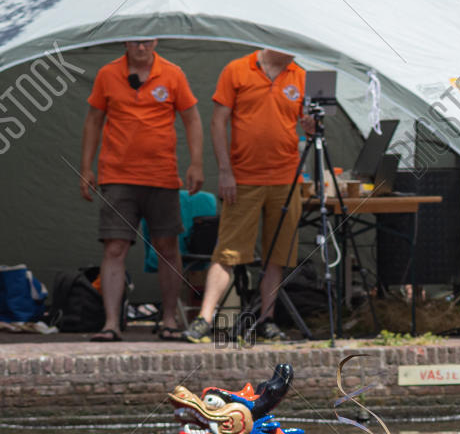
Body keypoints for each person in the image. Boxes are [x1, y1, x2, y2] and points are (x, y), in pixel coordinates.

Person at [80, 38, 203, 342]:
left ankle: (170, 319)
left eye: (147, 42)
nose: (141, 48)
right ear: (126, 42)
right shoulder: (108, 74)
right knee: (114, 247)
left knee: (167, 247)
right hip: (117, 176)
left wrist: (196, 163)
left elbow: (192, 118)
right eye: (135, 41)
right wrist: (86, 167)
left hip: (162, 176)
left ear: (155, 41)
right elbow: (94, 120)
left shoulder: (172, 73)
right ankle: (111, 323)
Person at [184, 47, 309, 344]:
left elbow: (308, 128)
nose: (297, 48)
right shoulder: (237, 70)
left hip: (286, 180)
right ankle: (204, 319)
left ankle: (266, 320)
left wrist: (312, 127)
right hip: (244, 178)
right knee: (227, 251)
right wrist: (225, 171)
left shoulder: (302, 76)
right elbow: (217, 122)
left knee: (277, 255)